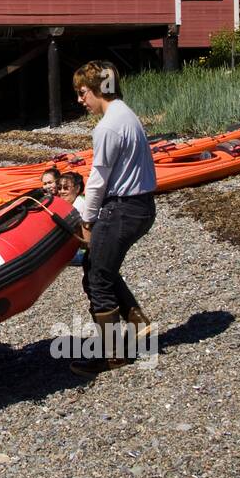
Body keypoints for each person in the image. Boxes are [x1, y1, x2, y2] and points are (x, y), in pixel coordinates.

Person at [70, 61, 158, 378]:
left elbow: (97, 180)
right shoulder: (126, 114)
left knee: (97, 278)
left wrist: (87, 219)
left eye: (83, 92)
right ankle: (137, 322)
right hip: (142, 206)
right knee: (100, 267)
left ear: (98, 89)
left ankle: (112, 354)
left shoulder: (108, 127)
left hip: (121, 209)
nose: (80, 100)